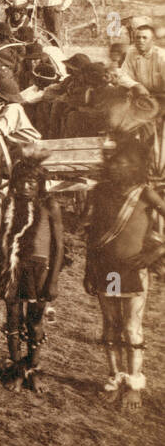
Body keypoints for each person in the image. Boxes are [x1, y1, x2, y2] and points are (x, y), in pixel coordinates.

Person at [84, 137, 165, 410]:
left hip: (132, 269)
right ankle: (114, 377)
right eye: (116, 162)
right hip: (105, 268)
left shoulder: (144, 193)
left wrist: (157, 252)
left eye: (127, 163)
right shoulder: (100, 191)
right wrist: (88, 268)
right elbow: (93, 233)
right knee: (110, 325)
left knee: (131, 328)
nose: (120, 167)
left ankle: (134, 384)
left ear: (136, 166)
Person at [0, 153, 64, 394]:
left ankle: (32, 369)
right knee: (13, 318)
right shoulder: (10, 204)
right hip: (13, 268)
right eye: (21, 181)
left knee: (35, 322)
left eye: (31, 182)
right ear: (14, 183)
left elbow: (59, 246)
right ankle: (16, 369)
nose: (25, 186)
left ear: (40, 183)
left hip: (39, 271)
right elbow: (2, 240)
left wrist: (53, 280)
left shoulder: (49, 205)